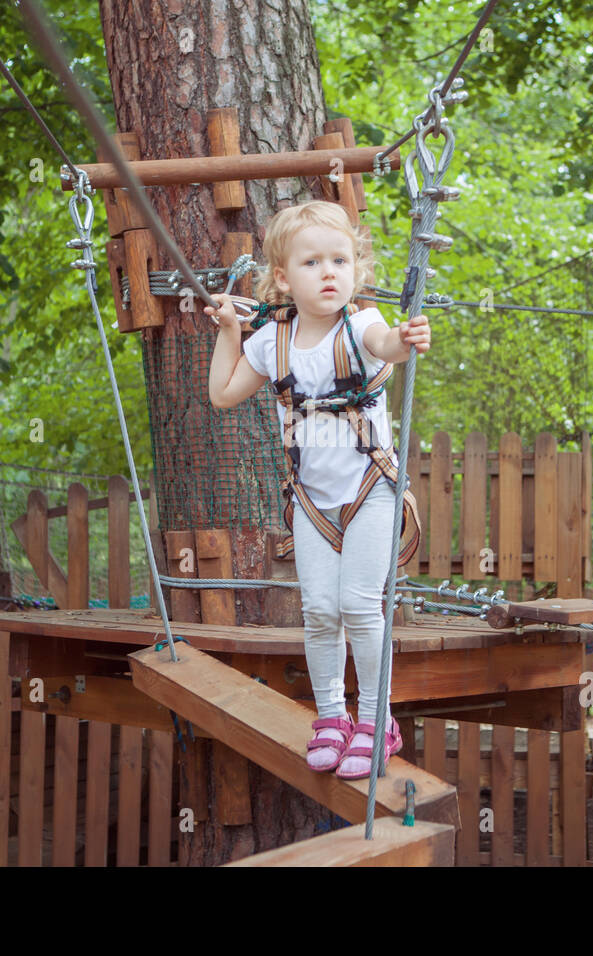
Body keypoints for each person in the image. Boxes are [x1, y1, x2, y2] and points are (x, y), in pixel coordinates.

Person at [206, 200, 431, 780]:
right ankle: (332, 716)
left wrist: (408, 336)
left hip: (369, 488)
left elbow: (389, 346)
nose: (329, 272)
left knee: (359, 605)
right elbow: (224, 393)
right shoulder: (273, 342)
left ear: (356, 269)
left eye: (340, 260)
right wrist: (231, 330)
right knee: (319, 610)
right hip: (309, 500)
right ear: (283, 278)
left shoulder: (361, 326)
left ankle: (377, 719)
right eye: (312, 263)